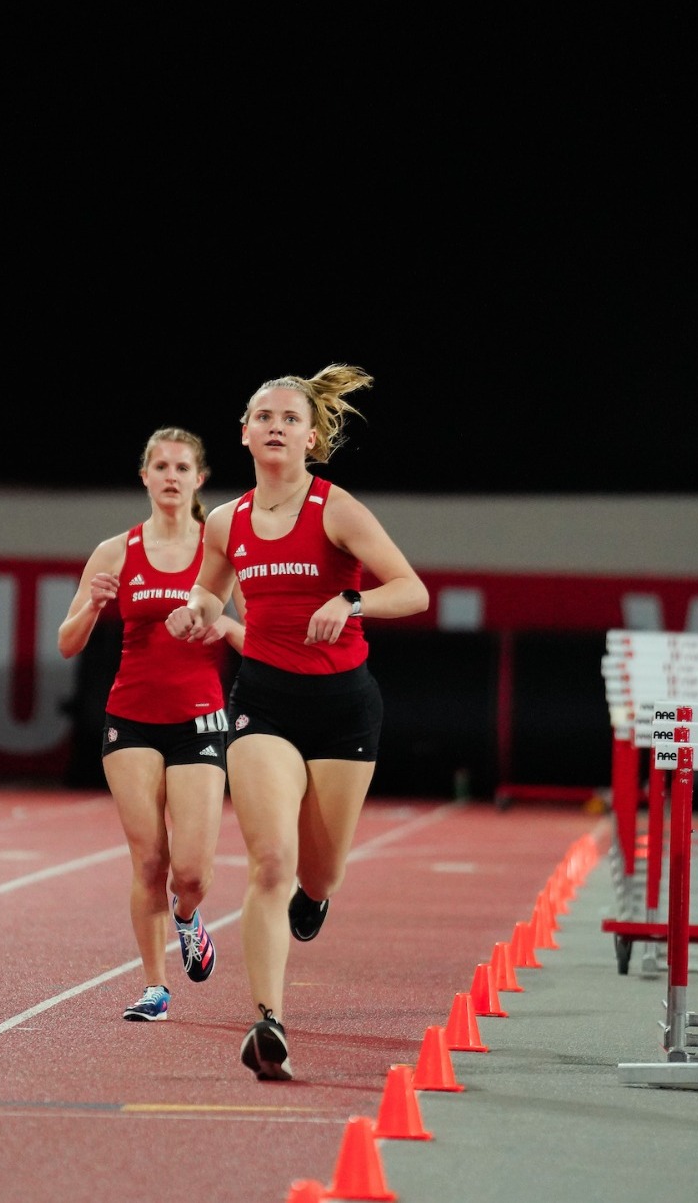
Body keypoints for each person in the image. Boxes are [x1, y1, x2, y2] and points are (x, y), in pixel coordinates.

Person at [165, 363, 428, 1081]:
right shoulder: (224, 521)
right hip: (264, 702)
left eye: (288, 418)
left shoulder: (335, 508)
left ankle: (317, 896)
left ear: (312, 437)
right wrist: (196, 616)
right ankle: (268, 1020)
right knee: (269, 860)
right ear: (245, 433)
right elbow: (210, 597)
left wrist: (352, 603)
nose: (275, 426)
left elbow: (412, 589)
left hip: (345, 706)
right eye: (263, 416)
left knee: (319, 869)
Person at [57, 427, 244, 1023]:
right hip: (130, 720)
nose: (170, 476)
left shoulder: (221, 555)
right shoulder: (115, 552)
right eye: (159, 466)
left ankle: (187, 918)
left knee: (192, 872)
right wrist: (93, 605)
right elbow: (67, 643)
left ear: (199, 478)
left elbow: (254, 635)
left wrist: (227, 630)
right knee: (149, 862)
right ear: (144, 476)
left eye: (181, 467)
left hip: (200, 720)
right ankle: (154, 987)